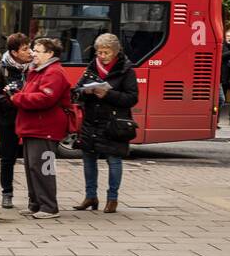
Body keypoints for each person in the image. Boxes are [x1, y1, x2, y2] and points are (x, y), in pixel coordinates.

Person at [72, 33, 139, 214]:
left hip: (113, 123)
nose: (101, 55)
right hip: (91, 121)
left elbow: (132, 98)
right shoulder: (92, 67)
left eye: (106, 52)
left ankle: (112, 199)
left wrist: (108, 94)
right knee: (88, 160)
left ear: (116, 52)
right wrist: (85, 92)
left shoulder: (126, 70)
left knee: (114, 160)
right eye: (99, 52)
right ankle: (90, 196)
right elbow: (76, 90)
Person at [9, 37, 72, 219]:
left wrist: (17, 99)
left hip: (46, 128)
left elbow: (45, 98)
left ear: (50, 54)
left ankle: (49, 206)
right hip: (33, 126)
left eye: (37, 51)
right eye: (33, 50)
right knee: (32, 167)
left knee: (43, 167)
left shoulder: (54, 73)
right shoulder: (37, 71)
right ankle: (35, 203)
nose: (33, 54)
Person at [0, 33, 33, 209]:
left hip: (30, 116)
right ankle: (7, 192)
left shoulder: (33, 67)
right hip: (7, 118)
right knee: (7, 157)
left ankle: (33, 195)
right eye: (25, 49)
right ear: (14, 52)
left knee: (32, 159)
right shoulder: (1, 68)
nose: (30, 52)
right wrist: (10, 98)